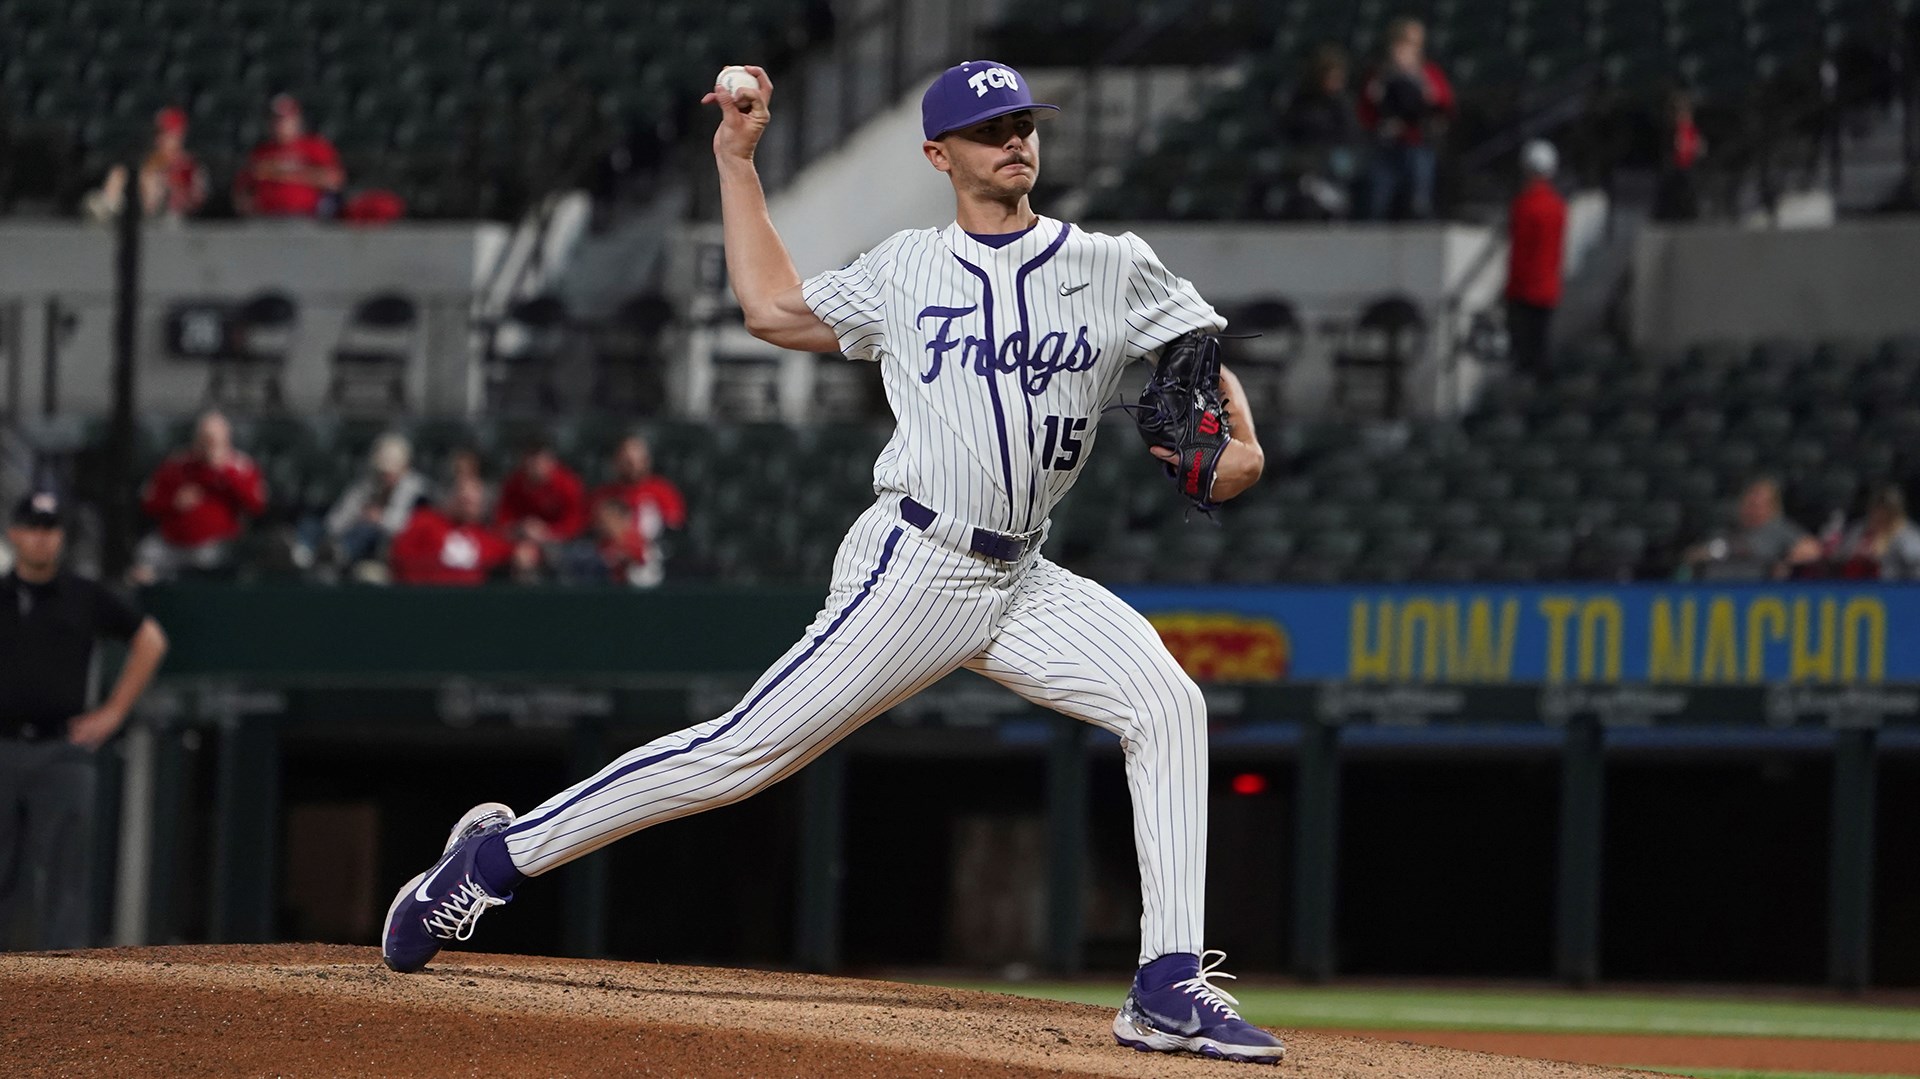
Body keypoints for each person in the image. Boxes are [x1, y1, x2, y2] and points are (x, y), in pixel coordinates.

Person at [380, 60, 1281, 1065]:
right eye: (991, 129)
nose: (1016, 140)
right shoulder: (905, 268)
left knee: (1168, 702)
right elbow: (769, 308)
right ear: (939, 155)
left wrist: (1239, 448)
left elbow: (1197, 360)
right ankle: (487, 864)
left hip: (1025, 574)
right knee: (737, 757)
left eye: (1024, 122)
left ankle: (1166, 986)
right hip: (919, 563)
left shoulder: (1115, 264)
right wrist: (737, 160)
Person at [1, 492, 169, 950]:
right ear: (15, 533)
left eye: (50, 529)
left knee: (65, 875)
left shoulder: (82, 594)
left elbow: (150, 639)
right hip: (3, 746)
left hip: (62, 750)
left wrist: (113, 712)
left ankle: (65, 991)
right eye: (33, 528)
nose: (41, 539)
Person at [133, 410, 267, 582]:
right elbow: (149, 502)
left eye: (213, 441)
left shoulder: (240, 467)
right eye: (204, 439)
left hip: (215, 546)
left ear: (226, 440)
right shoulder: (177, 464)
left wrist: (224, 471)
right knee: (146, 554)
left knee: (208, 563)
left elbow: (257, 505)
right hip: (171, 543)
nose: (207, 446)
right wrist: (174, 501)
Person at [1359, 17, 1454, 220]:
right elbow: (1366, 112)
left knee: (1419, 202)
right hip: (1387, 144)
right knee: (1378, 201)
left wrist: (1421, 84)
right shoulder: (1380, 74)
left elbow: (1445, 105)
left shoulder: (1428, 72)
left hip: (1418, 142)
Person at [388, 476, 530, 586]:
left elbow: (505, 551)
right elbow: (400, 556)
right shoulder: (425, 521)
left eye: (474, 503)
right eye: (465, 501)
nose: (469, 507)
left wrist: (521, 552)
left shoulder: (480, 535)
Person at [1504, 140, 1568, 376]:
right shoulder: (1558, 206)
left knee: (1523, 355)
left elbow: (1520, 249)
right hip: (1548, 287)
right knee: (1541, 348)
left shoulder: (1525, 205)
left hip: (1524, 289)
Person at [323, 433, 429, 574]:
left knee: (367, 530)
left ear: (405, 467)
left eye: (390, 472)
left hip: (393, 548)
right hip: (351, 539)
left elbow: (402, 527)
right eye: (381, 472)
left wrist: (379, 518)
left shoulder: (416, 489)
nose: (385, 477)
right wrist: (359, 515)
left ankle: (340, 554)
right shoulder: (366, 485)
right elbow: (334, 522)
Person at [587, 435, 686, 586]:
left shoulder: (662, 491)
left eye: (638, 460)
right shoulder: (603, 495)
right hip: (605, 565)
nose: (632, 465)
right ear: (616, 462)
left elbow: (673, 530)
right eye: (626, 461)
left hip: (647, 561)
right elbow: (591, 531)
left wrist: (637, 546)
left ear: (647, 461)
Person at [83, 106, 207, 223]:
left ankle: (115, 209)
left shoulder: (187, 164)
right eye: (158, 134)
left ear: (179, 136)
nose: (160, 139)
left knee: (151, 180)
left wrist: (170, 189)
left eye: (166, 134)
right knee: (120, 171)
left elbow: (197, 198)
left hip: (173, 218)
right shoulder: (152, 160)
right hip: (144, 214)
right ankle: (109, 204)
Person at [1683, 477, 1820, 581]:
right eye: (1750, 502)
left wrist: (1784, 563)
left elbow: (1812, 549)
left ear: (1771, 507)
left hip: (1756, 593)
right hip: (1716, 593)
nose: (1753, 508)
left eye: (1759, 504)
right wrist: (1708, 553)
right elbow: (1691, 556)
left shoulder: (1779, 529)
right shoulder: (1725, 528)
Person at [1279, 44, 1360, 220]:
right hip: (1307, 156)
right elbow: (1289, 128)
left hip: (1334, 157)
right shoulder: (1302, 100)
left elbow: (1349, 134)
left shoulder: (1342, 103)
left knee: (1341, 165)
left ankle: (1336, 204)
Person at [234, 95, 344, 218]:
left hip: (305, 218)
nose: (280, 124)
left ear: (297, 120)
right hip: (265, 218)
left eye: (285, 119)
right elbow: (243, 186)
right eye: (275, 120)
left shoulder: (315, 147)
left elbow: (334, 181)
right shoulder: (260, 152)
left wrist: (283, 173)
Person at [495, 438, 588, 546]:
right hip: (523, 538)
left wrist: (547, 532)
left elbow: (575, 522)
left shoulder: (567, 484)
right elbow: (503, 518)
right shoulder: (514, 483)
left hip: (561, 540)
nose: (536, 466)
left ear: (551, 462)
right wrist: (520, 527)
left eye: (541, 461)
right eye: (531, 461)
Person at [1832, 485, 1920, 579]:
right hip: (1854, 589)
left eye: (1887, 511)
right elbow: (1839, 557)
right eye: (1877, 509)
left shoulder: (1908, 536)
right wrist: (1858, 555)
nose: (1881, 515)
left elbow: (1916, 569)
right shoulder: (1859, 530)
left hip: (1894, 589)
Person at [1654, 89, 1705, 222]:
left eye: (1685, 111)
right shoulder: (1667, 132)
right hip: (1673, 176)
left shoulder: (1692, 131)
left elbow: (1698, 152)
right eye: (1677, 111)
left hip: (1689, 175)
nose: (1682, 115)